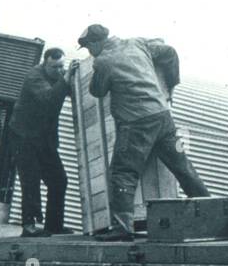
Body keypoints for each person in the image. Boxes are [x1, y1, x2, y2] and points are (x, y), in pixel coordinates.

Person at [77, 23, 209, 241]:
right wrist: (171, 84)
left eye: (89, 47)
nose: (90, 53)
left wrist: (95, 70)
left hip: (136, 124)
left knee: (122, 173)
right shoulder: (137, 43)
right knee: (183, 167)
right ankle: (210, 214)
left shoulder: (103, 61)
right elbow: (169, 52)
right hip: (163, 118)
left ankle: (123, 229)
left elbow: (97, 90)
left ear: (96, 42)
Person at [8, 47, 73, 237]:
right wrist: (66, 79)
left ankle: (54, 225)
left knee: (59, 180)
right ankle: (28, 226)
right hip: (23, 137)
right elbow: (49, 99)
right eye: (55, 67)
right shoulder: (34, 77)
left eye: (62, 67)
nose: (59, 71)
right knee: (31, 180)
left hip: (44, 138)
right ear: (45, 63)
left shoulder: (58, 76)